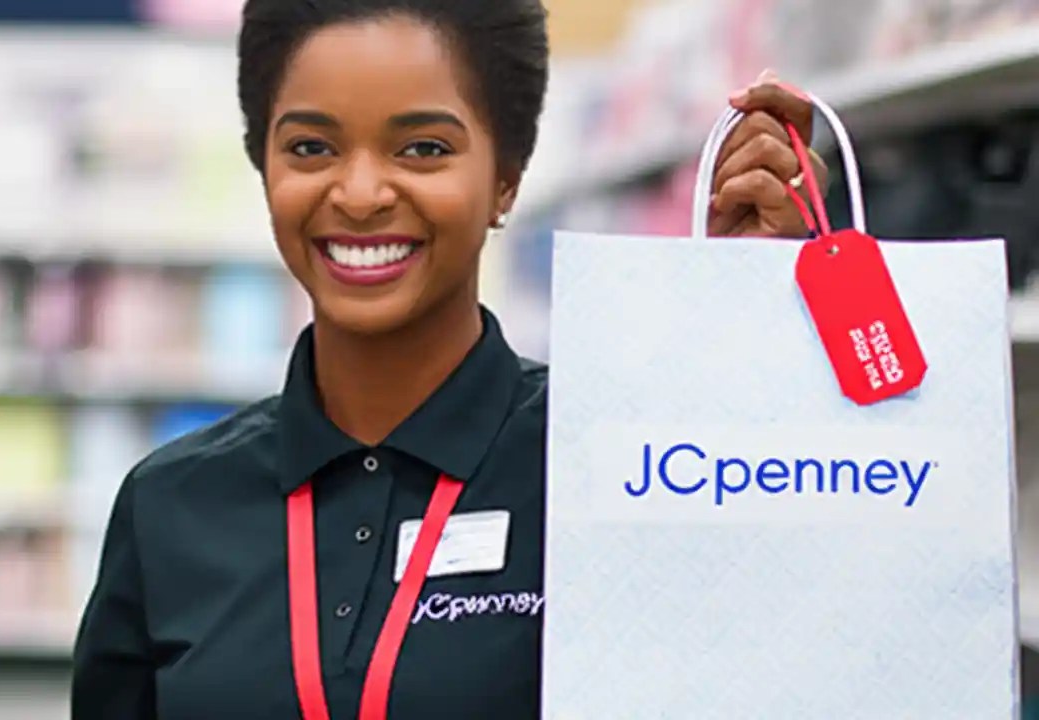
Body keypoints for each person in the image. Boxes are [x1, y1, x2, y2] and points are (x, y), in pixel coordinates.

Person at [70, 0, 826, 717]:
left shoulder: (612, 471)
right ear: (264, 166)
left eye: (423, 148)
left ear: (506, 178)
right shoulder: (170, 505)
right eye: (310, 147)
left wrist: (757, 323)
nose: (360, 193)